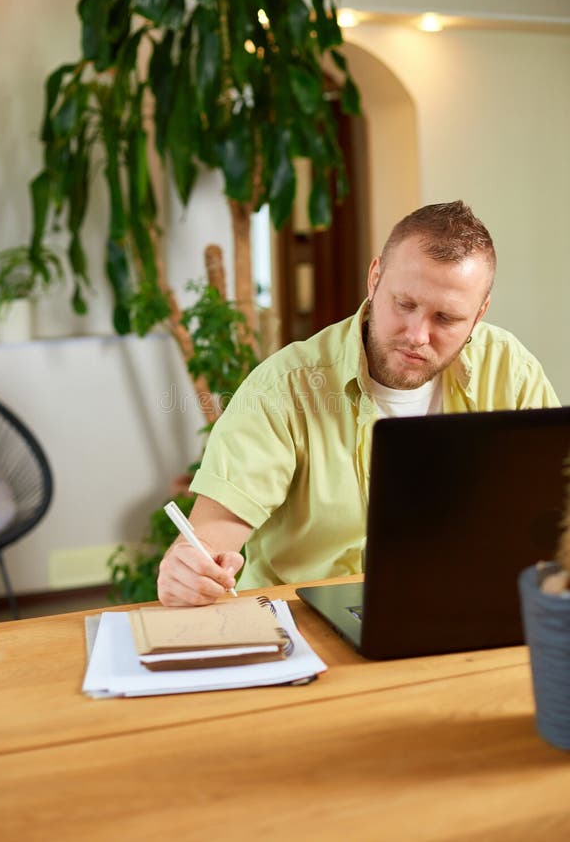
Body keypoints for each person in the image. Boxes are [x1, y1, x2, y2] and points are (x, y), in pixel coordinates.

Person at [157, 200, 559, 606]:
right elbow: (208, 542)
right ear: (375, 278)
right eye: (404, 305)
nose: (418, 335)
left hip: (468, 605)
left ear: (479, 315)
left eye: (446, 319)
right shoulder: (283, 388)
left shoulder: (510, 368)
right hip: (311, 622)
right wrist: (188, 569)